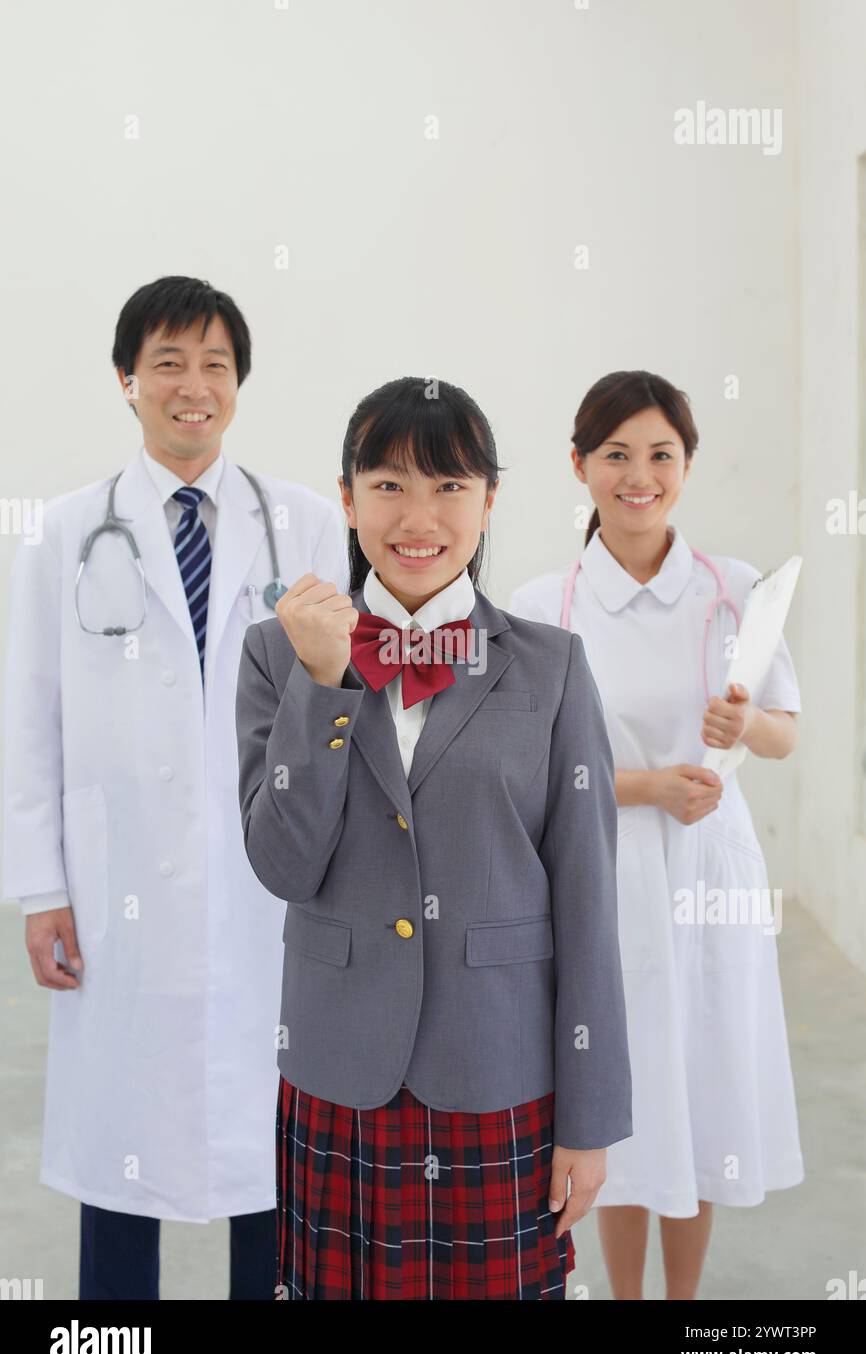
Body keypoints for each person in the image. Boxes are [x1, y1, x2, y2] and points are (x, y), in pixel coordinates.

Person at [234, 375, 632, 1300]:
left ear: (489, 502)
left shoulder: (552, 665)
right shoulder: (276, 651)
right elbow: (282, 862)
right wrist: (325, 687)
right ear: (347, 497)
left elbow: (588, 899)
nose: (420, 516)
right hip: (341, 1072)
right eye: (389, 484)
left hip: (497, 1074)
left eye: (450, 485)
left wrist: (593, 1116)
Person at [2, 275, 347, 1299]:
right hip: (119, 895)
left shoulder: (303, 524)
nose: (191, 387)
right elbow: (31, 720)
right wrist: (39, 888)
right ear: (126, 380)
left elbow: (345, 705)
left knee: (271, 1149)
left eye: (214, 365)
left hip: (271, 883)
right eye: (167, 363)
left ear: (238, 383)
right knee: (124, 1145)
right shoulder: (64, 532)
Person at [508, 369, 804, 1300]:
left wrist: (741, 726)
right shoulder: (543, 603)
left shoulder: (735, 590)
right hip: (603, 867)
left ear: (687, 464)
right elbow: (522, 770)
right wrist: (643, 784)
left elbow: (786, 733)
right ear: (579, 466)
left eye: (661, 455)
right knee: (620, 1096)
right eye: (616, 455)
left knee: (700, 1085)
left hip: (709, 868)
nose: (640, 476)